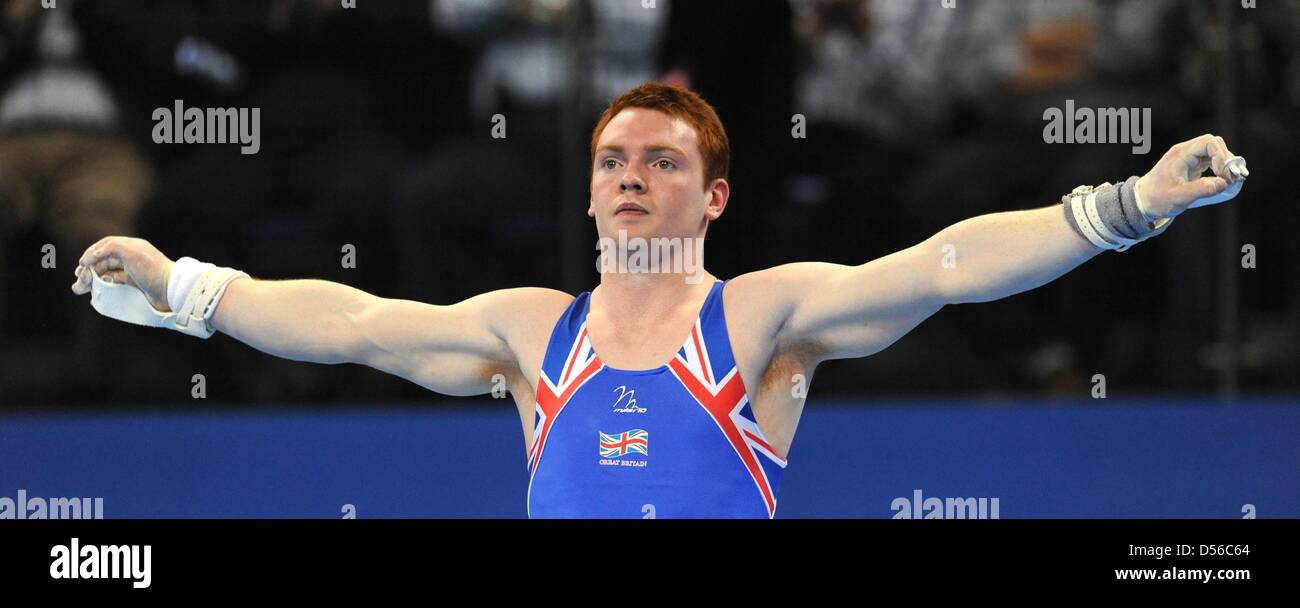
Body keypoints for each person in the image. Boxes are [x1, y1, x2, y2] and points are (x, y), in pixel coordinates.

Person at [69, 82, 1248, 518]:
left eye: (663, 160)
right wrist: (189, 290)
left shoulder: (765, 317)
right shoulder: (533, 331)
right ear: (587, 191)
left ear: (716, 193)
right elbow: (355, 323)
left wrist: (1128, 202)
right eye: (612, 160)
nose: (631, 174)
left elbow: (946, 261)